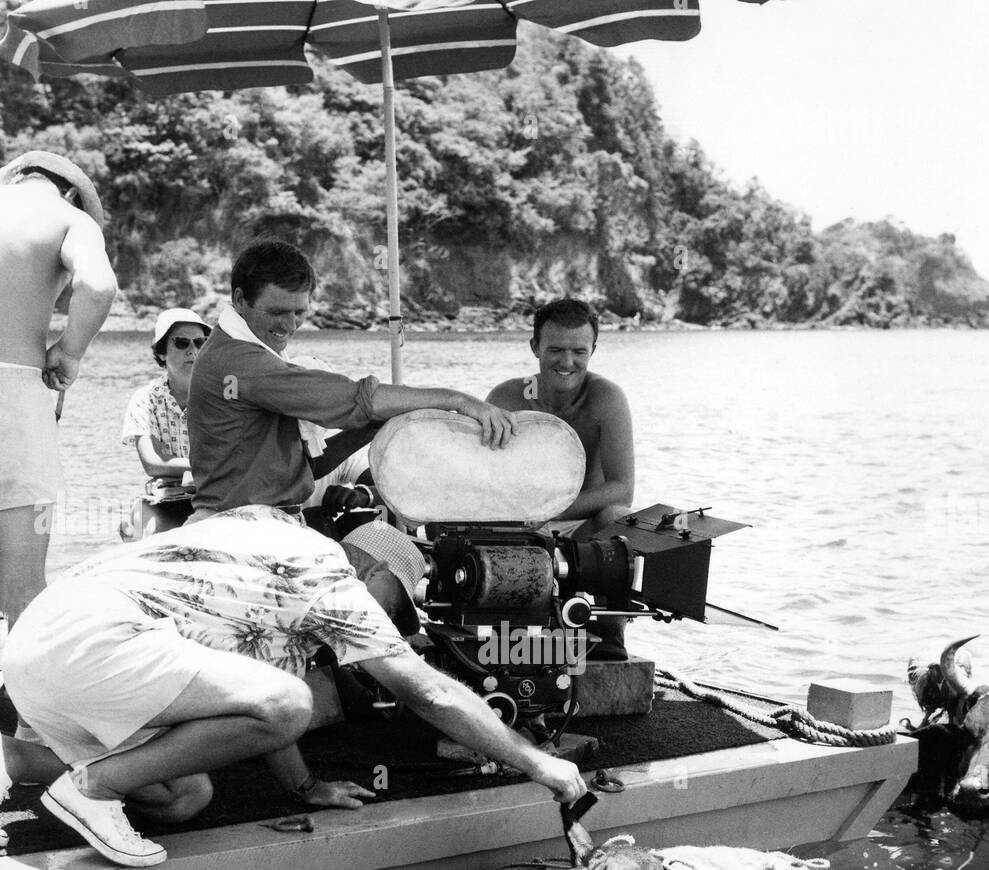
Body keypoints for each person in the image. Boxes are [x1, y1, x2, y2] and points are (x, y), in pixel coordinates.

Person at [1, 506, 585, 868]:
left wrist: (305, 786)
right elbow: (427, 692)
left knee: (186, 797)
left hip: (36, 646)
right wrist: (537, 764)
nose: (387, 620)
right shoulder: (332, 583)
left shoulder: (263, 527)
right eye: (393, 604)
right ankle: (95, 788)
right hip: (95, 645)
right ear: (373, 574)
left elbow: (255, 689)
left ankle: (31, 760)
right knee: (291, 704)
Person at [187, 237, 517, 520]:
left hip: (270, 516)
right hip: (240, 524)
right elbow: (354, 398)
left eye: (299, 312)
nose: (289, 326)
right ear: (241, 300)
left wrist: (379, 421)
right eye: (276, 313)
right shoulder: (241, 361)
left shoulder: (248, 349)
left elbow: (308, 468)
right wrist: (457, 400)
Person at [0, 150, 116, 629]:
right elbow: (97, 285)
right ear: (71, 193)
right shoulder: (68, 219)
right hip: (11, 395)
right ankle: (31, 703)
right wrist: (68, 352)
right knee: (22, 586)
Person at [488, 298, 635, 658]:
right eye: (555, 350)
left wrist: (551, 511)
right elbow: (484, 482)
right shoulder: (507, 397)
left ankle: (610, 631)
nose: (566, 362)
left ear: (593, 350)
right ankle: (516, 625)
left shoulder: (607, 398)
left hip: (581, 523)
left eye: (578, 351)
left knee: (618, 517)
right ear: (535, 346)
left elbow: (622, 488)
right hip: (520, 525)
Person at [122, 308, 211, 481]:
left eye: (200, 342)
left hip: (219, 497)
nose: (193, 350)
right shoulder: (145, 400)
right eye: (181, 342)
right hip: (167, 500)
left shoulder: (224, 396)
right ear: (162, 352)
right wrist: (215, 469)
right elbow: (153, 463)